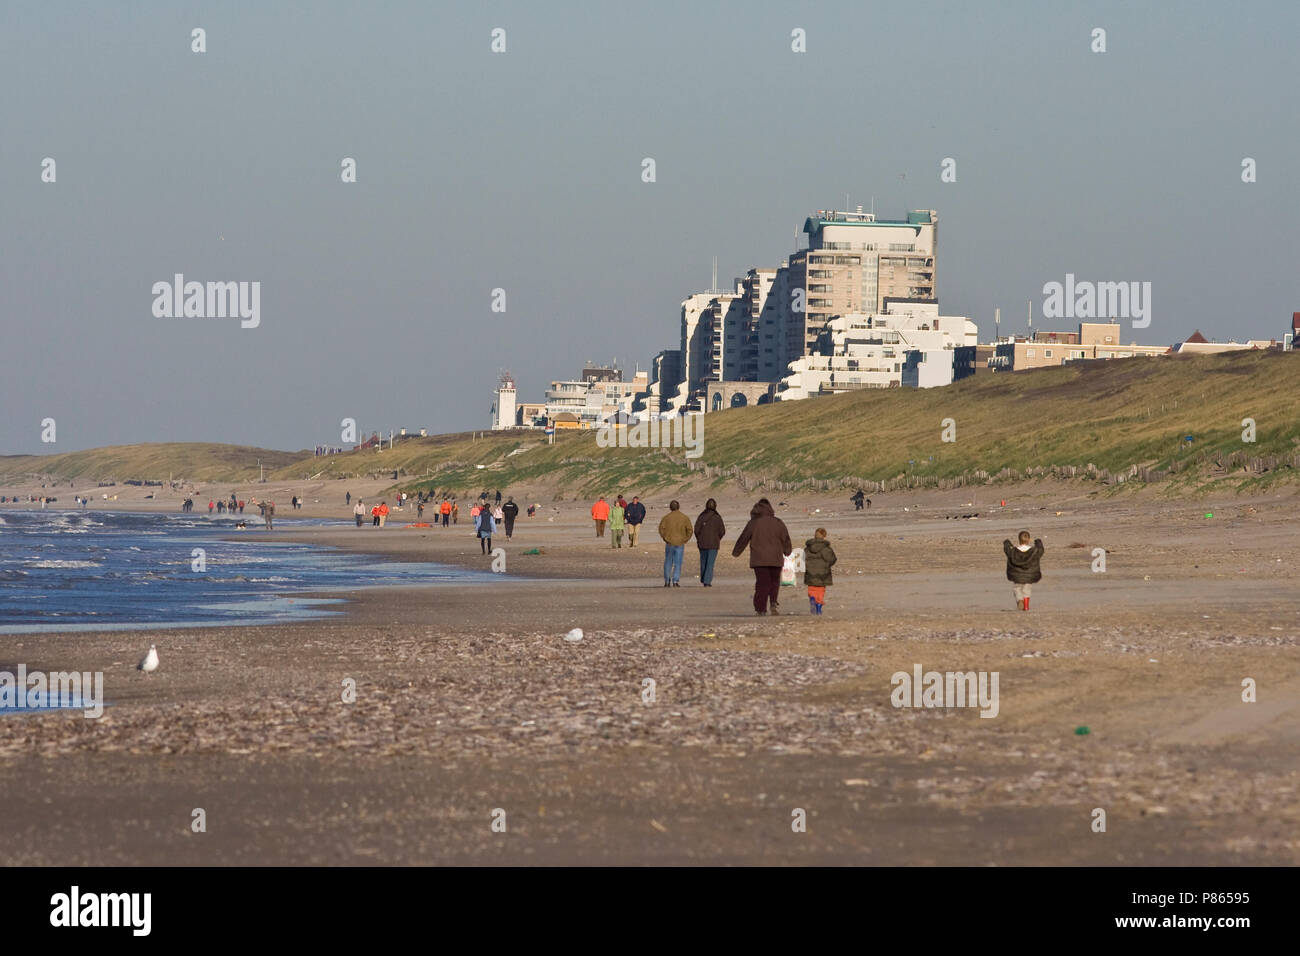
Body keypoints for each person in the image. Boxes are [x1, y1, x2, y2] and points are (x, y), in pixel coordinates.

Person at [732, 498, 792, 615]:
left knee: (762, 583)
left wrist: (736, 552)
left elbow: (743, 538)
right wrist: (787, 551)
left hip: (759, 559)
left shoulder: (753, 523)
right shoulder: (778, 522)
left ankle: (760, 609)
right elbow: (786, 538)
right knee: (774, 582)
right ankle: (773, 603)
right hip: (776, 558)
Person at [1004, 530, 1044, 611]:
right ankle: (1026, 606)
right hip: (1030, 574)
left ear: (1019, 540)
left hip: (1017, 575)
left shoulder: (1013, 551)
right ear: (1029, 540)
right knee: (1027, 589)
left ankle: (1020, 600)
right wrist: (1038, 542)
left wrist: (1007, 543)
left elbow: (1007, 550)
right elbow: (1041, 550)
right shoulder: (1034, 551)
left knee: (1017, 588)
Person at [657, 500, 693, 587]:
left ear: (670, 507)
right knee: (678, 563)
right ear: (678, 507)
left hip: (670, 542)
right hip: (679, 543)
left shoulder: (666, 518)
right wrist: (685, 539)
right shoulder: (684, 517)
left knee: (668, 562)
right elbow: (690, 530)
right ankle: (675, 581)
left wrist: (665, 538)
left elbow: (661, 529)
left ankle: (667, 581)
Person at [803, 527, 837, 615]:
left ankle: (812, 599)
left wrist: (808, 566)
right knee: (820, 591)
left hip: (810, 573)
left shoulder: (808, 548)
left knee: (812, 589)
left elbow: (803, 559)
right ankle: (818, 607)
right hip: (823, 573)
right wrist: (827, 566)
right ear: (824, 536)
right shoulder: (826, 549)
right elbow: (832, 559)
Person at [693, 498, 726, 587]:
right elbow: (722, 531)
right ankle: (707, 581)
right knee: (710, 563)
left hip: (702, 543)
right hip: (713, 544)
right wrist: (717, 538)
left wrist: (699, 538)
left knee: (703, 562)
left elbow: (696, 530)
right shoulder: (717, 517)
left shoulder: (701, 516)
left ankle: (705, 579)